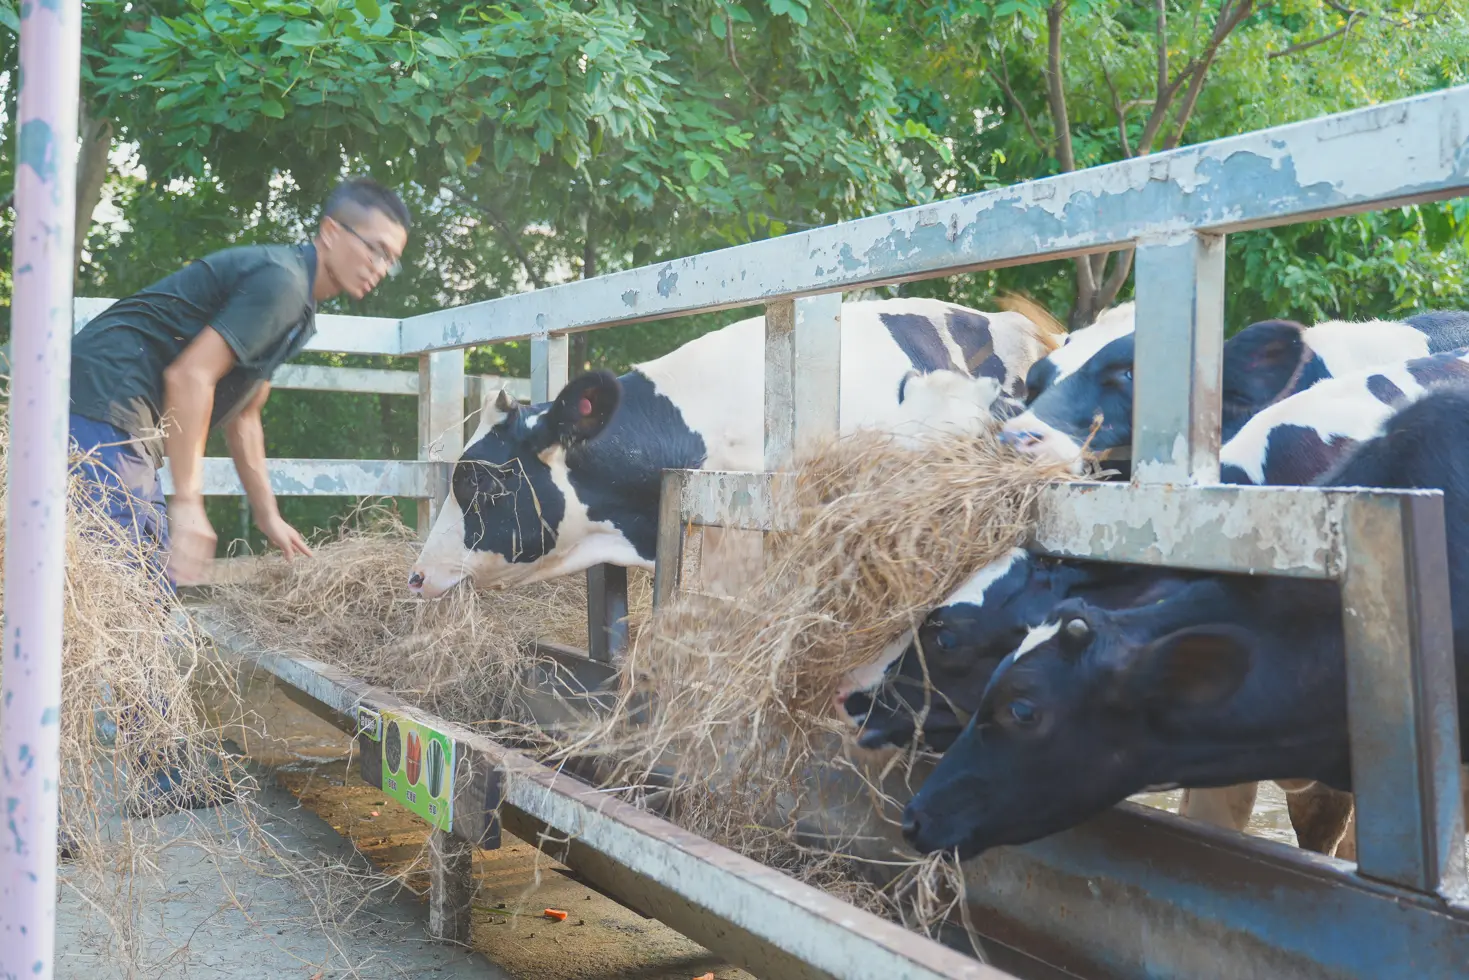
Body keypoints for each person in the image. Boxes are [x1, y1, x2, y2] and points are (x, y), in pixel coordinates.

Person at [67, 177, 411, 815]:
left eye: (393, 257)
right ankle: (153, 768)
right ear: (332, 232)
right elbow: (189, 375)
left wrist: (269, 516)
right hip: (102, 407)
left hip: (99, 406)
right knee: (124, 588)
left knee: (115, 591)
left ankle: (155, 762)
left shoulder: (296, 301)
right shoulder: (282, 282)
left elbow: (244, 412)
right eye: (375, 249)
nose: (382, 268)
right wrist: (188, 502)